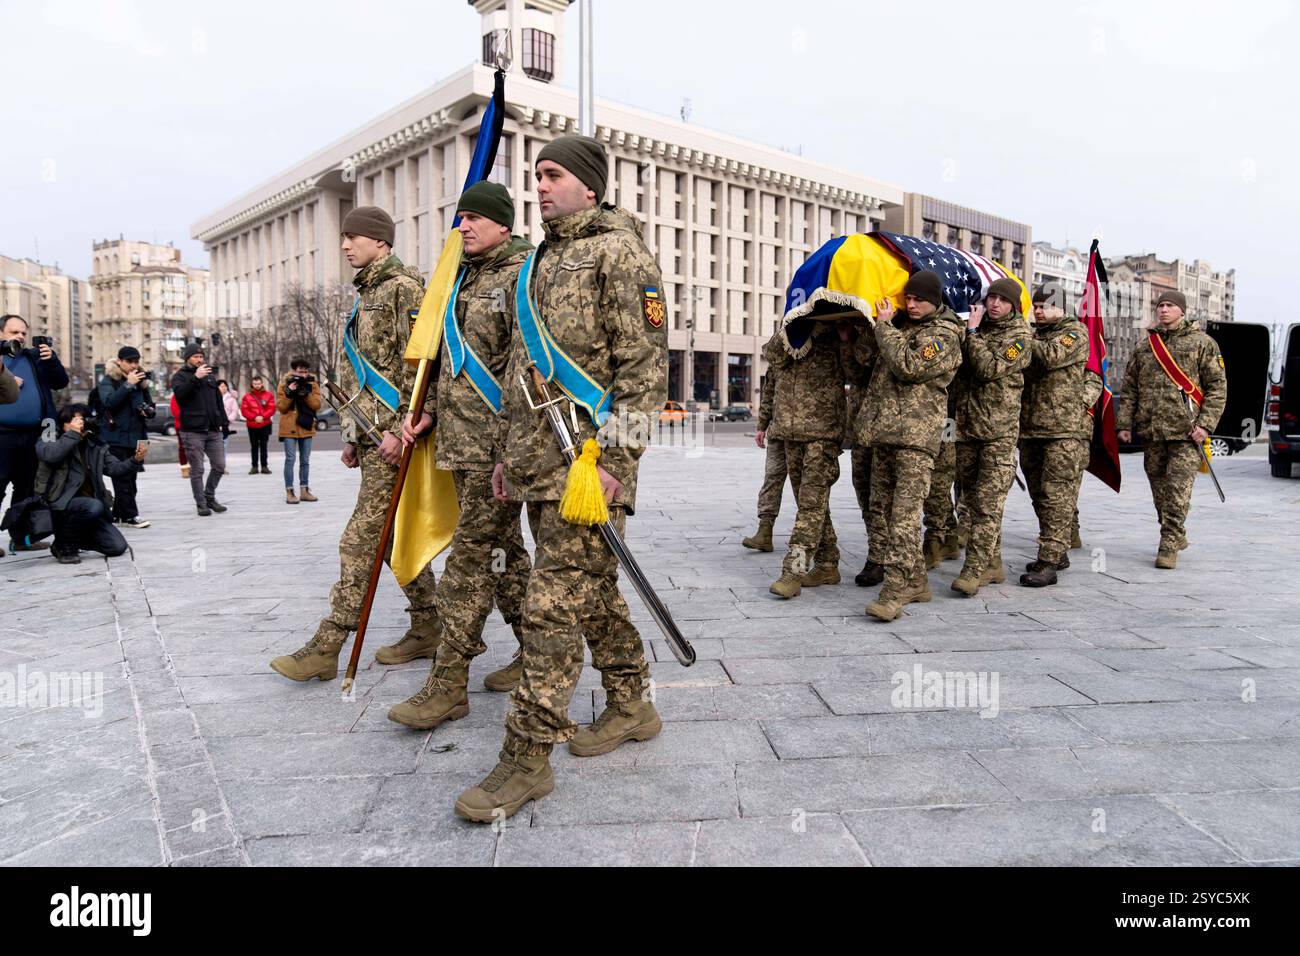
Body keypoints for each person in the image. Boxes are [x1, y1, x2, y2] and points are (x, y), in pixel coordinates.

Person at [454, 135, 666, 823]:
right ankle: (632, 704)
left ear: (589, 186)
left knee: (549, 609)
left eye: (554, 175)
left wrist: (615, 464)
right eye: (537, 175)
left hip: (586, 470)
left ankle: (527, 756)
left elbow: (643, 374)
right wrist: (505, 459)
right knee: (595, 596)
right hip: (535, 463)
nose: (540, 186)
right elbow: (521, 374)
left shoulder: (620, 253)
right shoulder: (538, 260)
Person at [269, 206, 440, 682]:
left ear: (382, 242)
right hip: (372, 437)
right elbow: (364, 374)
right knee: (385, 539)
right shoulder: (367, 293)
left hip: (395, 437)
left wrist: (402, 426)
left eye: (355, 237)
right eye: (343, 237)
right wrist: (354, 436)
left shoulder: (402, 288)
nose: (345, 245)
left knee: (360, 538)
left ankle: (329, 643)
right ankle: (430, 622)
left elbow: (422, 364)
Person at [387, 181, 535, 729]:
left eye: (475, 218)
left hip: (499, 450)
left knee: (469, 565)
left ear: (503, 224)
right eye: (460, 218)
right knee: (505, 556)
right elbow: (453, 364)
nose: (464, 227)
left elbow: (521, 369)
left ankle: (448, 683)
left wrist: (506, 449)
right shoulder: (461, 278)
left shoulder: (522, 276)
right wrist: (429, 411)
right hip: (461, 443)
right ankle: (530, 649)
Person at [850, 271, 963, 622]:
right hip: (885, 434)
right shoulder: (902, 327)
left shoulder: (944, 335)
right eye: (908, 299)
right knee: (881, 510)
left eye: (919, 300)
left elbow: (909, 366)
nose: (911, 305)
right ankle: (915, 580)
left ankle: (895, 588)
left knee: (904, 516)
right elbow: (864, 363)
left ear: (935, 301)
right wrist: (872, 326)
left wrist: (886, 328)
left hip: (916, 438)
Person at [1116, 290, 1227, 568]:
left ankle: (1168, 544)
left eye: (1169, 306)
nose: (1163, 310)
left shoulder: (1203, 343)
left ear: (1182, 311)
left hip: (1186, 432)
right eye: (1160, 306)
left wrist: (1205, 425)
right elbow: (1130, 388)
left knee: (1178, 490)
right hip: (1152, 431)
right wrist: (1124, 424)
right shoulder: (1145, 347)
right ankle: (1176, 532)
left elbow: (1217, 387)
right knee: (1160, 491)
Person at [950, 278, 1032, 596]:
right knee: (969, 501)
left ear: (1013, 305)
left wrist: (971, 333)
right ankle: (993, 562)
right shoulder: (979, 329)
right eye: (991, 298)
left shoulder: (1021, 336)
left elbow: (988, 368)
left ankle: (975, 568)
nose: (994, 304)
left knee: (988, 504)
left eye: (1002, 300)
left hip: (999, 433)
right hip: (968, 428)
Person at [1019, 284, 1102, 587]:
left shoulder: (1075, 333)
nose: (1038, 311)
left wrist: (1024, 337)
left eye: (1044, 306)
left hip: (1063, 431)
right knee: (1039, 494)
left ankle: (1049, 561)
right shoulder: (1033, 335)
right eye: (1036, 306)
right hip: (1030, 428)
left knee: (1056, 496)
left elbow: (1051, 357)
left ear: (1061, 308)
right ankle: (1058, 550)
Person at [765, 319, 851, 599]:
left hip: (822, 433)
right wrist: (790, 328)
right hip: (790, 431)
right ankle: (828, 563)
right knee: (811, 504)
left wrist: (846, 338)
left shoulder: (835, 334)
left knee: (810, 505)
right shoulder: (792, 332)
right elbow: (773, 358)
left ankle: (794, 570)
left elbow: (856, 370)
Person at [34, 404, 146, 564]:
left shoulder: (94, 445)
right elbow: (50, 455)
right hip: (59, 505)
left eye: (81, 420)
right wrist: (73, 435)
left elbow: (115, 469)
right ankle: (63, 545)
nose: (78, 424)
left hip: (89, 509)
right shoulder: (50, 436)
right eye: (72, 421)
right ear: (63, 423)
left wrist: (135, 460)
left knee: (116, 547)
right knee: (93, 506)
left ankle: (73, 538)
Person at [1, 313, 68, 554]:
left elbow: (60, 382)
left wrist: (52, 361)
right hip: (2, 435)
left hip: (33, 434)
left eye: (23, 332)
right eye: (14, 332)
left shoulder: (34, 357)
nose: (20, 336)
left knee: (27, 488)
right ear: (1, 334)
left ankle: (21, 538)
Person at [94, 346, 154, 529]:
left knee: (132, 479)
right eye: (130, 362)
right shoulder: (109, 381)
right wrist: (128, 385)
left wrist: (148, 411)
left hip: (138, 436)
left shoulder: (141, 382)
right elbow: (109, 402)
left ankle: (118, 515)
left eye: (136, 361)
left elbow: (149, 405)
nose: (134, 365)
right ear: (119, 361)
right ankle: (130, 516)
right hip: (115, 437)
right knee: (122, 479)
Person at [170, 343, 229, 517]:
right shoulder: (179, 377)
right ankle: (201, 503)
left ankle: (209, 496)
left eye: (201, 356)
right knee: (197, 470)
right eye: (196, 356)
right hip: (192, 430)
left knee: (219, 465)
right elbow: (180, 395)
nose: (199, 359)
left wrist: (223, 423)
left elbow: (218, 401)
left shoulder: (210, 377)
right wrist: (195, 377)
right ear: (187, 358)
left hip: (212, 429)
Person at [742, 339, 787, 553]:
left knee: (806, 490)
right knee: (772, 479)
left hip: (809, 432)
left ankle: (820, 542)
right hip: (779, 431)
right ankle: (765, 531)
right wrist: (762, 425)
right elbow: (768, 393)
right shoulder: (780, 354)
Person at [277, 358, 321, 504]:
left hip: (306, 425)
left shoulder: (312, 384)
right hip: (289, 426)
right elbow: (282, 408)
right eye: (300, 371)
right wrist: (290, 392)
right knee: (290, 459)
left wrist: (306, 393)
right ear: (294, 371)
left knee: (305, 460)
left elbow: (316, 405)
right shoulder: (284, 384)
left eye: (305, 371)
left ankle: (304, 490)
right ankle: (289, 491)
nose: (303, 374)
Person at [241, 375, 275, 475]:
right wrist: (255, 417)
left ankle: (264, 466)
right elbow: (244, 410)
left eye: (259, 383)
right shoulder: (246, 397)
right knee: (254, 446)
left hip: (265, 424)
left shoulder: (269, 395)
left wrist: (262, 417)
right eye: (255, 384)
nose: (257, 385)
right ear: (252, 384)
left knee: (264, 446)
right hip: (252, 425)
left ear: (262, 384)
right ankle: (254, 467)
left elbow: (272, 408)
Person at [218, 380, 241, 453]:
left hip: (226, 424)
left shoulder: (231, 398)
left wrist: (228, 419)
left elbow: (234, 411)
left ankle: (222, 463)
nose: (223, 388)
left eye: (225, 386)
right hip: (216, 424)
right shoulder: (213, 397)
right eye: (221, 386)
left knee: (224, 445)